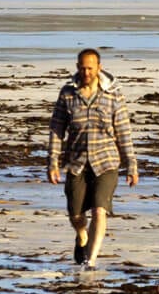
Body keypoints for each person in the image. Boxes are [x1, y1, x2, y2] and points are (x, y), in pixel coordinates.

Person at [48, 48, 138, 268]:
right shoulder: (68, 93)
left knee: (99, 210)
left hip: (106, 161)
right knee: (76, 215)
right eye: (82, 68)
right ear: (77, 67)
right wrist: (53, 162)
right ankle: (82, 236)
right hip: (76, 162)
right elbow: (57, 129)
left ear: (99, 67)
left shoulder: (113, 94)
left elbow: (123, 131)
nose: (86, 72)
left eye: (90, 68)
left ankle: (91, 260)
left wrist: (132, 165)